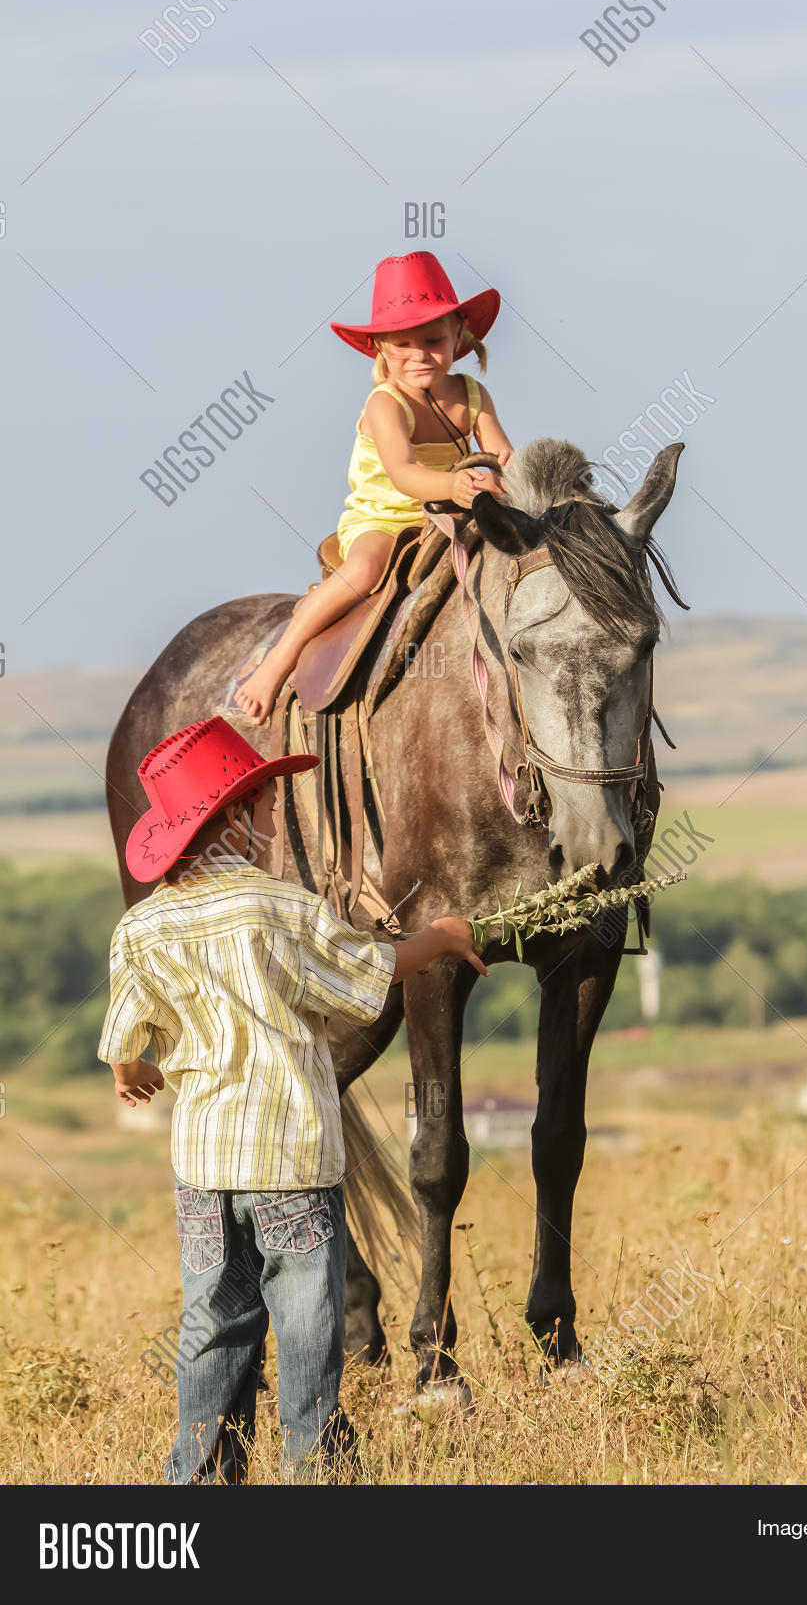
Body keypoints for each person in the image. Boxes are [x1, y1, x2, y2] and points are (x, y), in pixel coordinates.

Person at [98, 714, 487, 1483]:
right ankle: (314, 1470)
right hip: (291, 1161)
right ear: (237, 815)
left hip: (203, 1168)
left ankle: (202, 1474)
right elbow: (371, 974)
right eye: (270, 805)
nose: (277, 820)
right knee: (308, 1326)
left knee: (214, 1323)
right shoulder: (283, 909)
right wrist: (442, 938)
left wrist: (131, 1072)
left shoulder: (143, 926)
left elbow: (124, 1038)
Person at [233, 250, 514, 725]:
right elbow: (402, 472)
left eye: (432, 340)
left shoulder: (472, 394)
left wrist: (507, 481)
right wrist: (455, 484)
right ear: (381, 347)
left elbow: (503, 454)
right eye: (403, 344)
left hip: (451, 514)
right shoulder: (386, 403)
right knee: (364, 570)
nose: (419, 354)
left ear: (458, 336)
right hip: (385, 518)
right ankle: (276, 663)